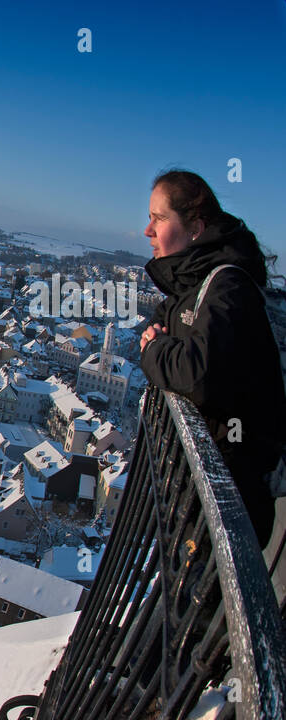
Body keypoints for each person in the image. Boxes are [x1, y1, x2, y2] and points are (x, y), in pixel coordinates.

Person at [139, 169, 286, 548]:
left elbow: (197, 374)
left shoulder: (227, 286)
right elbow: (165, 333)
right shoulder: (191, 288)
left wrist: (155, 350)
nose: (147, 230)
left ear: (196, 228)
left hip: (233, 496)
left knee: (210, 604)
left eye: (159, 218)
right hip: (206, 493)